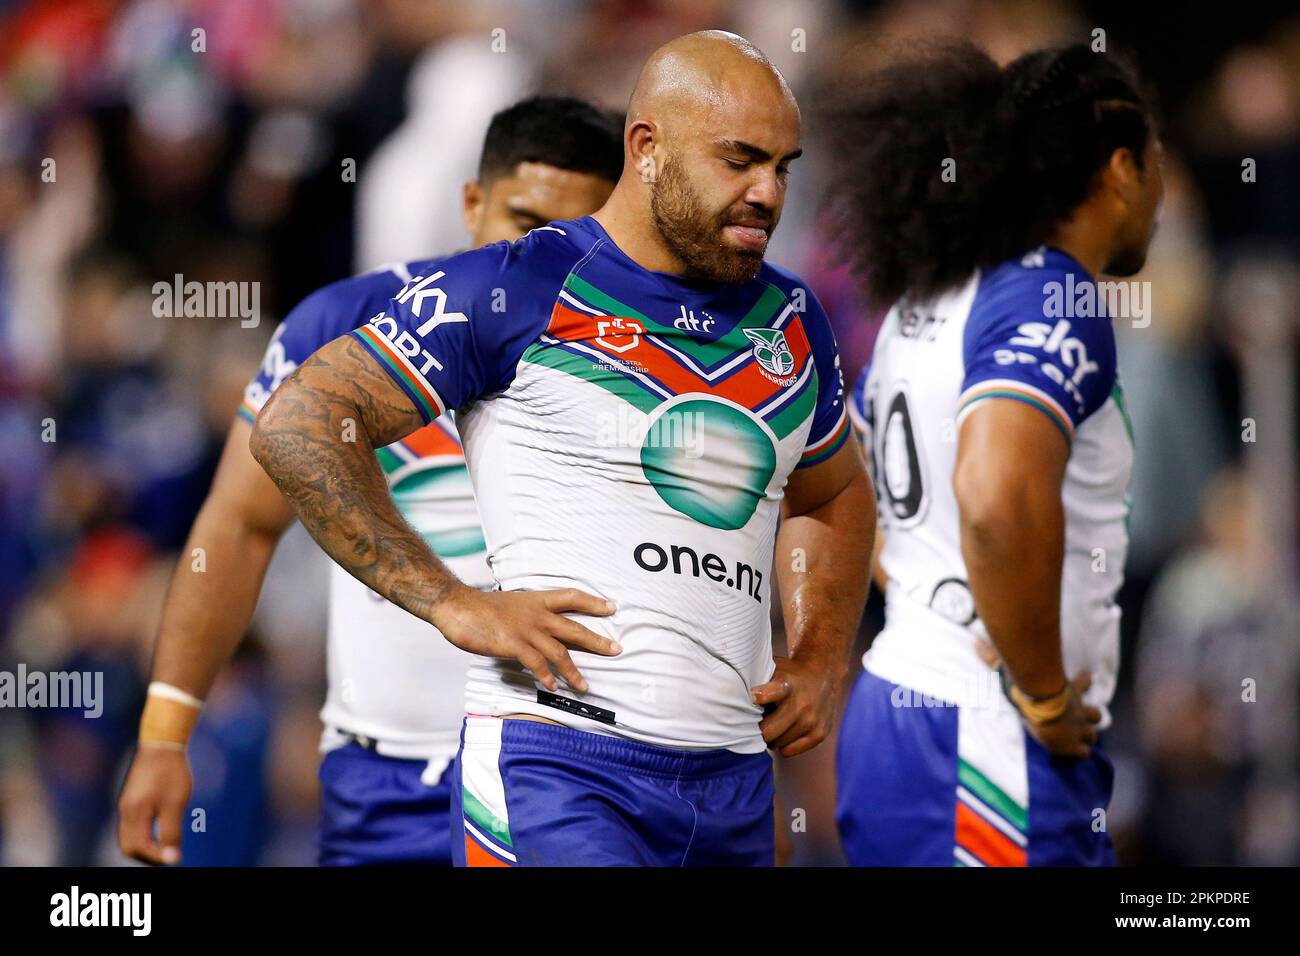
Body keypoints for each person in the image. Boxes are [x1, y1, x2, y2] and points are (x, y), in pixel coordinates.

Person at [248, 31, 875, 867]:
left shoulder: (793, 320)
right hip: (558, 770)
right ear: (646, 147)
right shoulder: (516, 284)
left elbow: (834, 493)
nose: (768, 192)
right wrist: (450, 600)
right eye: (740, 160)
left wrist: (820, 656)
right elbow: (302, 420)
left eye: (784, 167)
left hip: (732, 783)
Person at [117, 95, 624, 867]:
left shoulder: (641, 353)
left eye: (573, 238)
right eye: (524, 224)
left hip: (565, 769)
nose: (543, 258)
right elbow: (239, 527)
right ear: (470, 202)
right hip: (383, 778)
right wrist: (165, 731)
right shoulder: (345, 325)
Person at [829, 42, 1163, 866]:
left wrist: (933, 589)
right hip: (984, 737)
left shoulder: (931, 293)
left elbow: (847, 480)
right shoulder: (1053, 292)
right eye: (1158, 163)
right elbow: (992, 495)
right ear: (1122, 168)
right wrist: (1042, 691)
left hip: (896, 715)